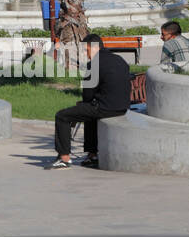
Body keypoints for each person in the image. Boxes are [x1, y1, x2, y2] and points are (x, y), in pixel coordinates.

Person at [49, 34, 131, 169]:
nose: (85, 54)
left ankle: (64, 157)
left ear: (93, 48)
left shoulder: (93, 64)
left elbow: (87, 95)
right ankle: (92, 156)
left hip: (105, 108)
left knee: (62, 116)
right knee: (89, 112)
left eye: (85, 50)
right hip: (123, 107)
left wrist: (83, 103)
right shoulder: (119, 59)